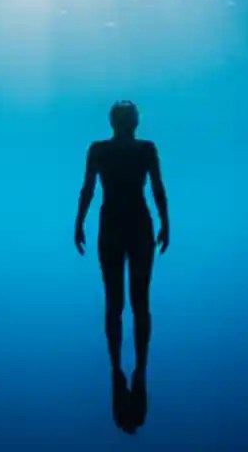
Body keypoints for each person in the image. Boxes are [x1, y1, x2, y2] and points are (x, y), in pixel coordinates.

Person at [74, 100, 170, 432]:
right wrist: (78, 221)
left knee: (123, 301)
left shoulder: (107, 150)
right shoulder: (137, 149)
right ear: (129, 122)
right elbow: (88, 188)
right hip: (128, 226)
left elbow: (156, 187)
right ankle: (128, 367)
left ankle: (128, 367)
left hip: (119, 225)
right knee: (130, 301)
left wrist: (79, 222)